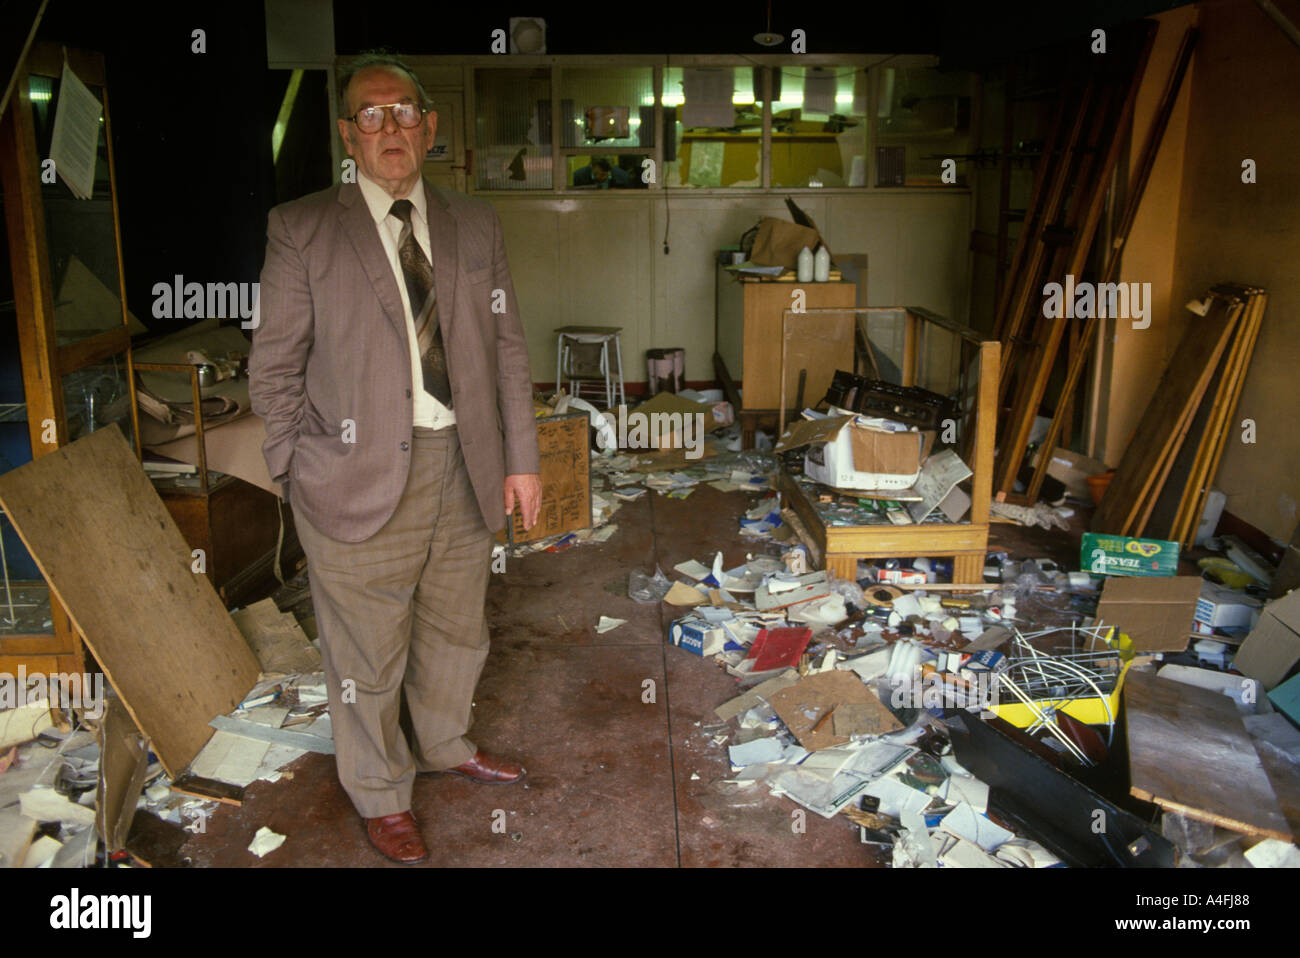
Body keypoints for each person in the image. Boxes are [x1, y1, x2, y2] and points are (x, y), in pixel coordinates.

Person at [248, 53, 542, 865]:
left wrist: (523, 460)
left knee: (458, 628)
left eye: (405, 112)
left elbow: (508, 349)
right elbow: (272, 370)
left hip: (463, 464)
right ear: (348, 133)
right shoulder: (302, 227)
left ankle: (445, 742)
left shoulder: (474, 224)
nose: (390, 129)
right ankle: (381, 793)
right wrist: (295, 470)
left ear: (429, 126)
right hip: (349, 472)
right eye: (371, 116)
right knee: (366, 654)